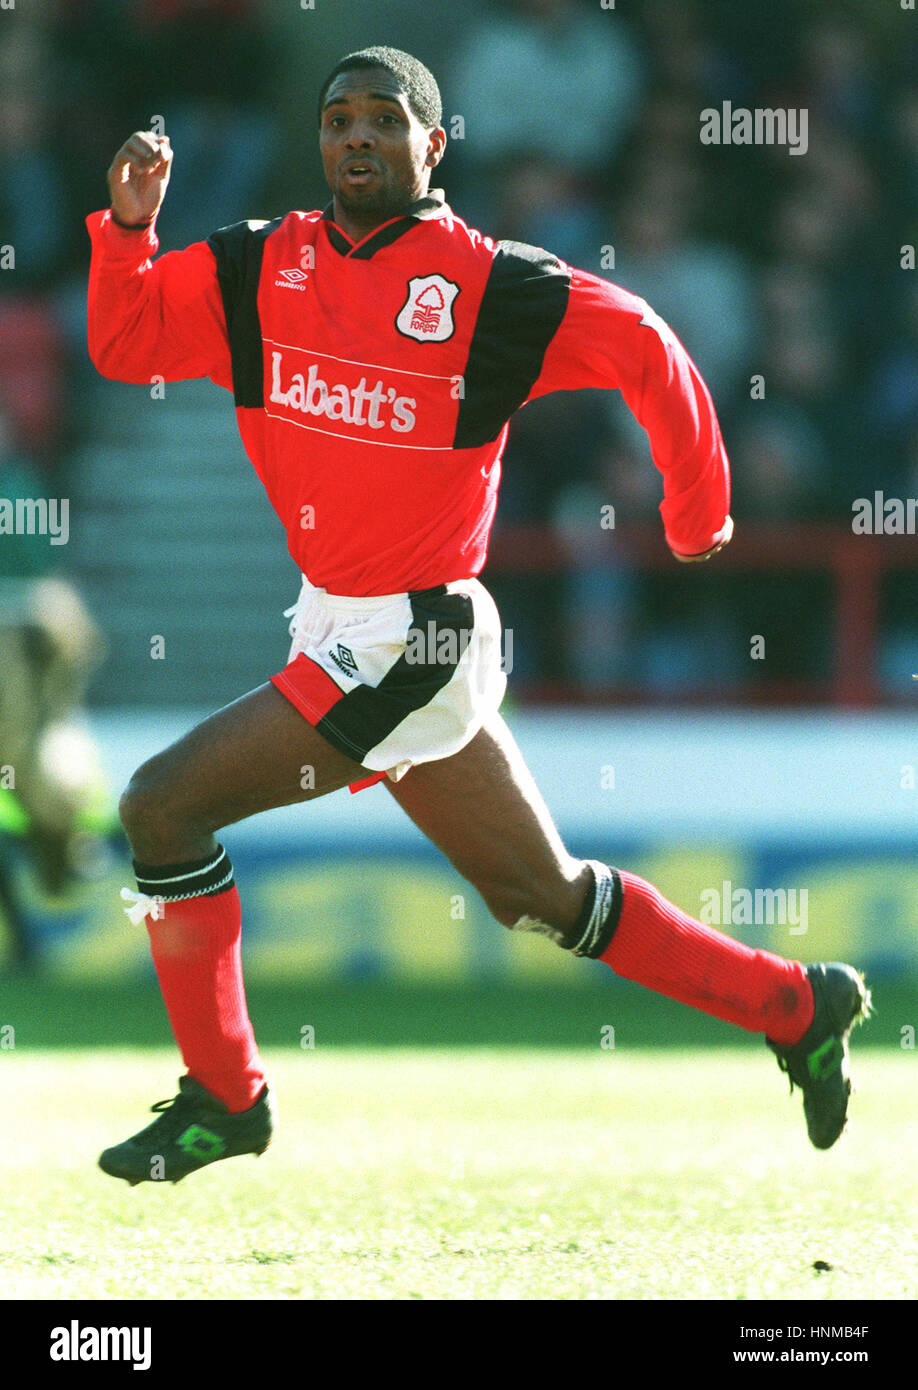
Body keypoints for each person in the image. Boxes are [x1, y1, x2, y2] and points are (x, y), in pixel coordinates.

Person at [86, 46, 869, 1185]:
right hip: (347, 630)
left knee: (161, 808)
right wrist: (126, 231)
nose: (356, 136)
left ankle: (228, 1096)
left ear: (434, 145)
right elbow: (126, 340)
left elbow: (648, 345)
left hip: (418, 639)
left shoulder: (492, 288)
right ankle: (798, 1006)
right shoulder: (260, 266)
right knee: (539, 896)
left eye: (384, 119)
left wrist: (699, 515)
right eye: (337, 118)